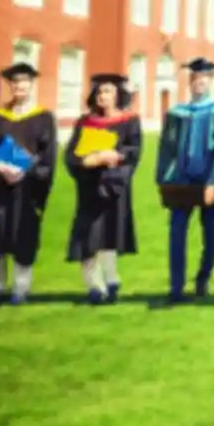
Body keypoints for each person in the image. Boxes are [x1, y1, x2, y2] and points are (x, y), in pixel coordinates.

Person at [0, 63, 58, 307]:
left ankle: (21, 288)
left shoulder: (44, 119)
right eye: (15, 82)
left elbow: (48, 157)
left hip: (26, 191)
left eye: (24, 82)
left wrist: (25, 171)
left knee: (23, 236)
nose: (20, 86)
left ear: (31, 85)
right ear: (10, 85)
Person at [156, 58, 214, 305]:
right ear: (189, 81)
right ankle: (176, 286)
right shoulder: (177, 112)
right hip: (181, 180)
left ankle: (203, 277)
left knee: (210, 235)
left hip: (207, 180)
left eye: (204, 78)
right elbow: (165, 148)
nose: (199, 82)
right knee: (176, 232)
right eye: (195, 78)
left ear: (211, 81)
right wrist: (163, 179)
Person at [64, 74, 142, 305]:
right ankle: (94, 285)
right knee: (88, 236)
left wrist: (116, 155)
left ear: (117, 95)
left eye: (107, 92)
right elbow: (70, 155)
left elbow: (134, 152)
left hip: (115, 187)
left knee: (111, 235)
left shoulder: (129, 122)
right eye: (99, 92)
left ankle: (111, 279)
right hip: (90, 187)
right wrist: (84, 162)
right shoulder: (84, 122)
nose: (102, 96)